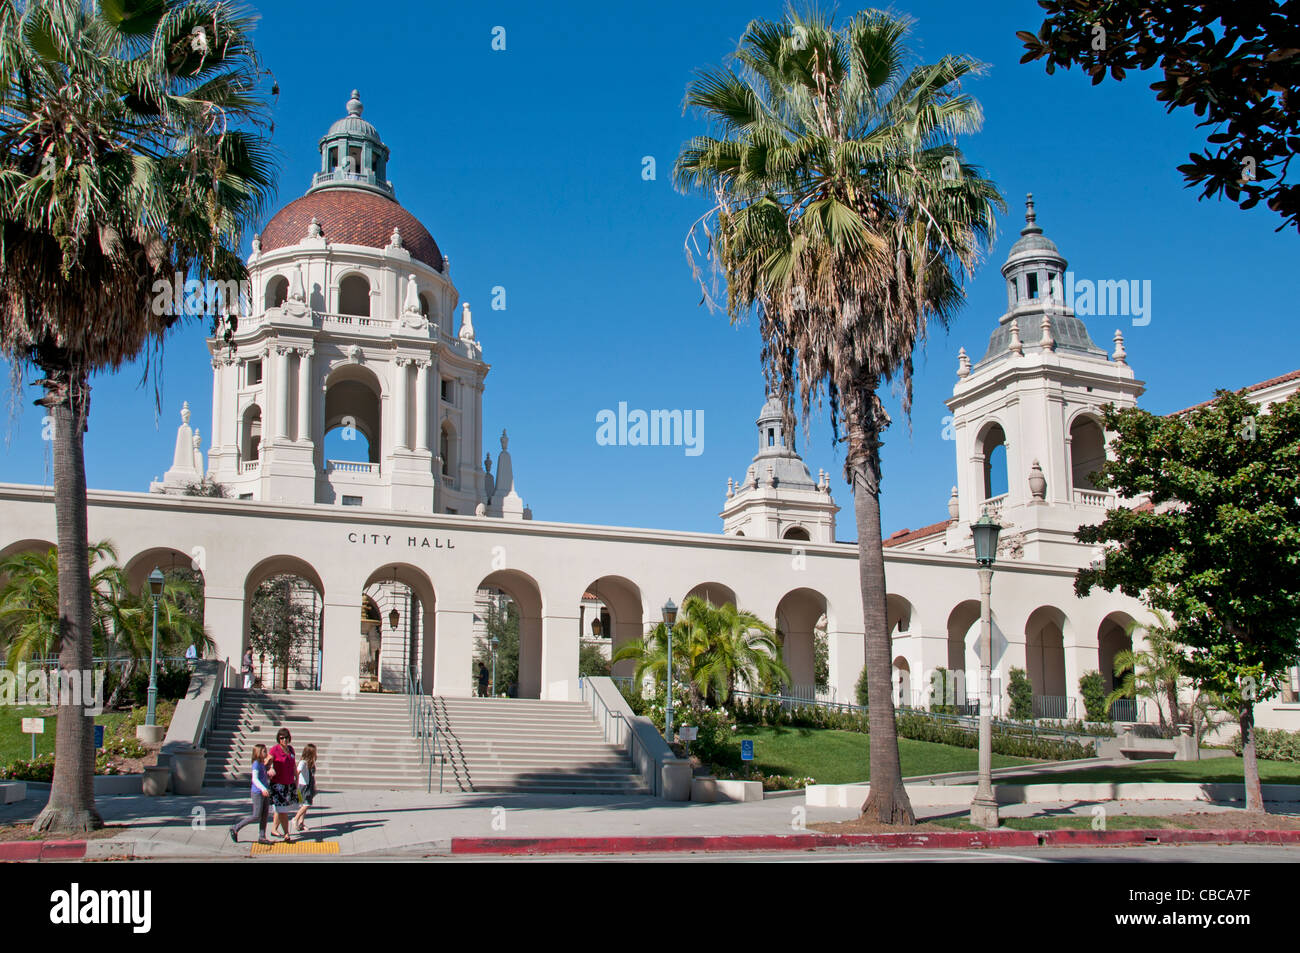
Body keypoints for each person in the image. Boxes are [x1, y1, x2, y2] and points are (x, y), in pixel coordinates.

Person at [228, 744, 272, 845]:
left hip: (265, 792)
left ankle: (262, 836)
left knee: (265, 815)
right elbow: (255, 779)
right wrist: (263, 789)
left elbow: (264, 774)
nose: (266, 753)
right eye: (264, 751)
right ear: (258, 753)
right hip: (258, 793)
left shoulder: (261, 763)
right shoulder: (256, 764)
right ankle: (235, 827)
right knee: (256, 815)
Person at [267, 728, 298, 841]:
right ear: (278, 739)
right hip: (278, 785)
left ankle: (274, 829)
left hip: (289, 784)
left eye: (286, 737)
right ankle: (286, 834)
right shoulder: (275, 749)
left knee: (280, 809)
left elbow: (294, 765)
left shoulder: (291, 749)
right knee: (282, 810)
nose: (284, 740)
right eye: (281, 738)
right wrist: (269, 767)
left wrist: (296, 779)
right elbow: (269, 760)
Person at [292, 743, 318, 833]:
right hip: (302, 786)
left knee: (304, 805)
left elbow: (312, 775)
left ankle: (301, 823)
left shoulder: (311, 763)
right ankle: (295, 818)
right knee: (307, 804)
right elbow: (297, 772)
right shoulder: (303, 763)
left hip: (308, 785)